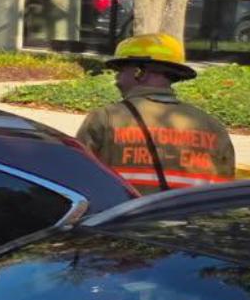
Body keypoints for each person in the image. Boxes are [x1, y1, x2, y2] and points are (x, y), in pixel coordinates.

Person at [77, 32, 236, 194]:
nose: (117, 79)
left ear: (140, 73)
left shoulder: (105, 118)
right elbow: (223, 195)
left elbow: (77, 176)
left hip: (124, 218)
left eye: (121, 71)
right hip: (190, 218)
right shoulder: (213, 126)